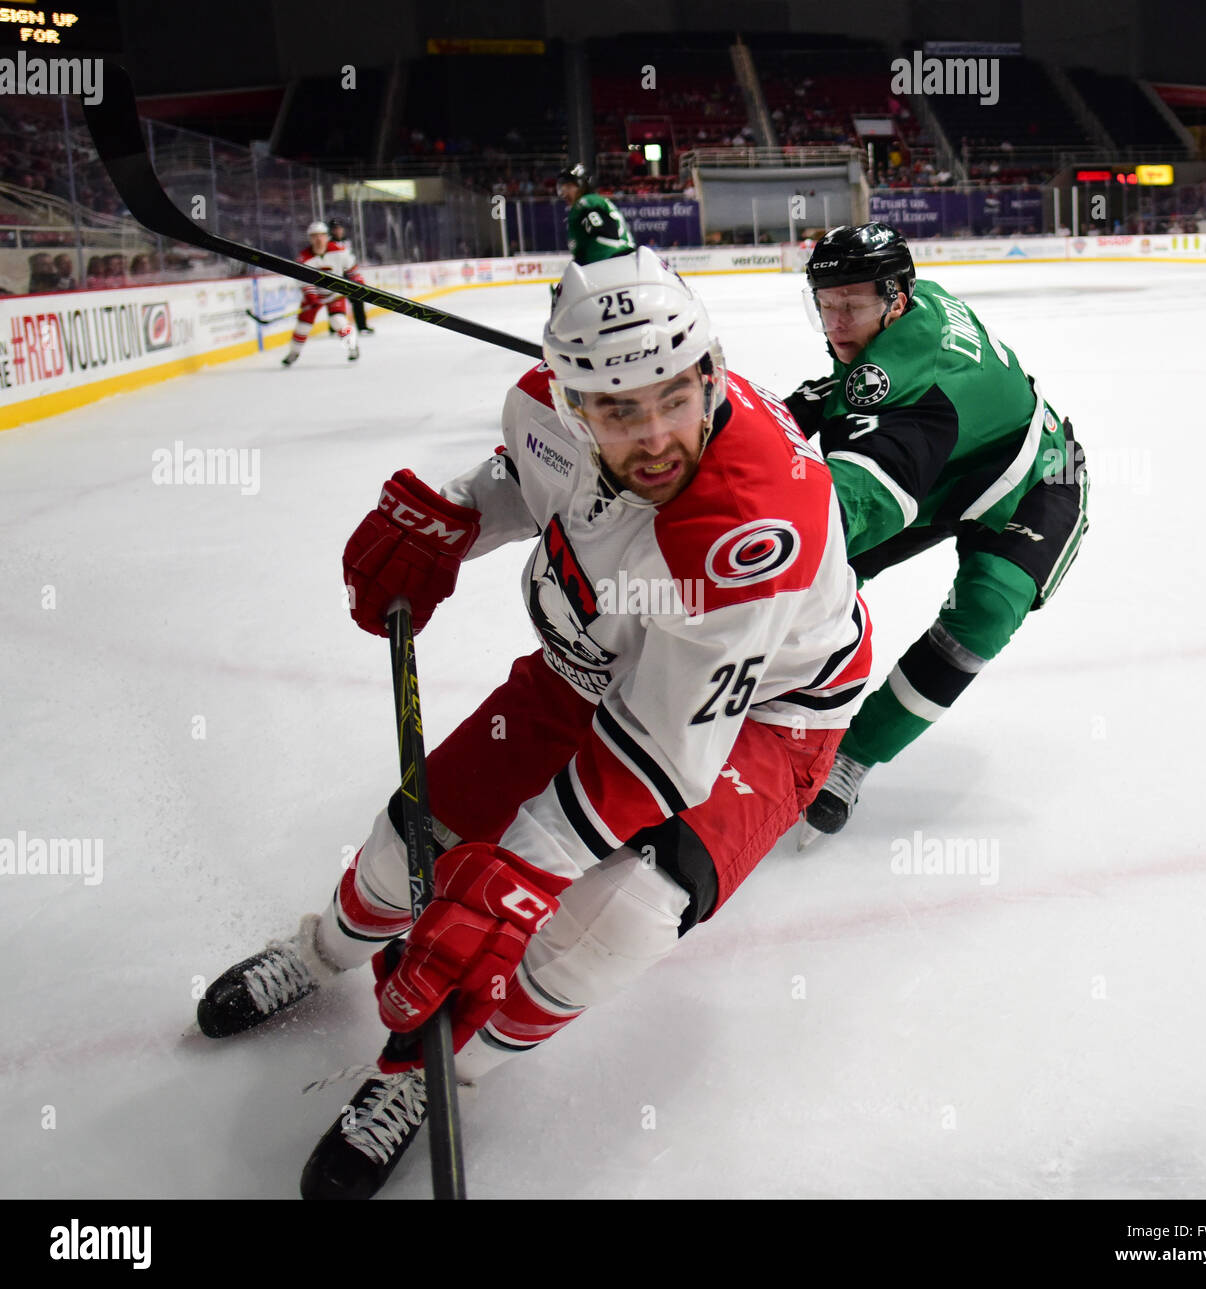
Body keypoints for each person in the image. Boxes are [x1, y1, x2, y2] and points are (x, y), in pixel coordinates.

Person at [196, 247, 873, 1199]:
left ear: (713, 374)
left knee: (614, 923)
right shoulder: (542, 412)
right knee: (411, 848)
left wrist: (520, 871)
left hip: (768, 713)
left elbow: (668, 749)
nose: (655, 439)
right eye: (618, 410)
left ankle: (426, 1075)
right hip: (595, 656)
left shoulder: (749, 522)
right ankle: (319, 951)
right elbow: (526, 475)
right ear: (569, 400)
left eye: (675, 398)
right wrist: (460, 517)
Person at [785, 223, 1089, 846]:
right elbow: (880, 397)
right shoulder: (913, 305)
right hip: (950, 459)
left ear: (897, 298)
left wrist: (759, 512)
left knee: (981, 613)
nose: (837, 323)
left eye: (854, 305)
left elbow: (868, 492)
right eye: (827, 303)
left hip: (1035, 476)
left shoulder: (899, 379)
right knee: (815, 577)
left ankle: (852, 757)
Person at [281, 221, 359, 366]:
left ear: (327, 237)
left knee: (338, 322)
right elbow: (304, 281)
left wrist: (357, 281)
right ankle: (294, 352)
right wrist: (312, 297)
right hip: (313, 297)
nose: (318, 239)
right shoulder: (304, 258)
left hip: (335, 294)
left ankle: (352, 347)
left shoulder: (339, 251)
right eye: (314, 236)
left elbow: (351, 267)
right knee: (303, 327)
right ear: (310, 239)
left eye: (321, 235)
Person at [556, 163, 635, 265]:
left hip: (610, 260)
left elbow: (602, 231)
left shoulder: (585, 202)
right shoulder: (594, 201)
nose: (565, 192)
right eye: (563, 188)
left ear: (583, 186)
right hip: (622, 258)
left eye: (569, 186)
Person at [329, 218, 374, 334]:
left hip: (349, 276)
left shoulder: (347, 242)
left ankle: (362, 326)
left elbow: (351, 260)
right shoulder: (328, 244)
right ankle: (335, 327)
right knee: (335, 302)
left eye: (339, 228)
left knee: (357, 299)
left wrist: (355, 275)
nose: (338, 231)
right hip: (336, 275)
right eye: (335, 229)